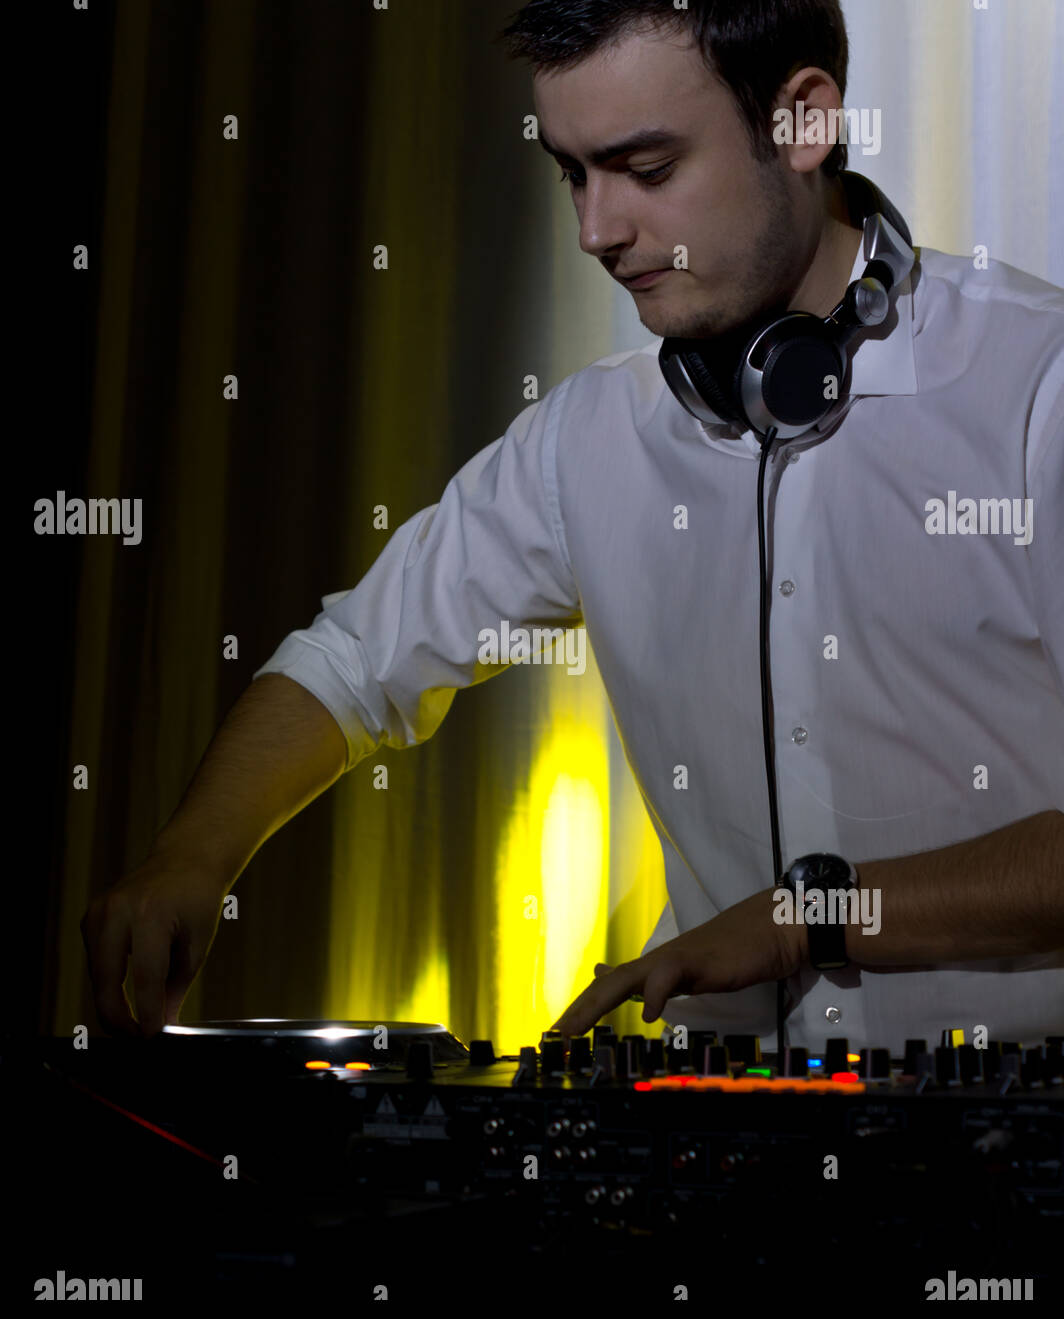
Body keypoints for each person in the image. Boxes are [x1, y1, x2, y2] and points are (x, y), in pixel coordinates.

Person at [82, 0, 1063, 1050]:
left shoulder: (1033, 390)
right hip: (714, 1150)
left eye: (644, 171)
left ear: (801, 123)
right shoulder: (587, 439)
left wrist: (802, 918)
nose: (596, 230)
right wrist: (193, 855)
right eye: (572, 173)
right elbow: (353, 662)